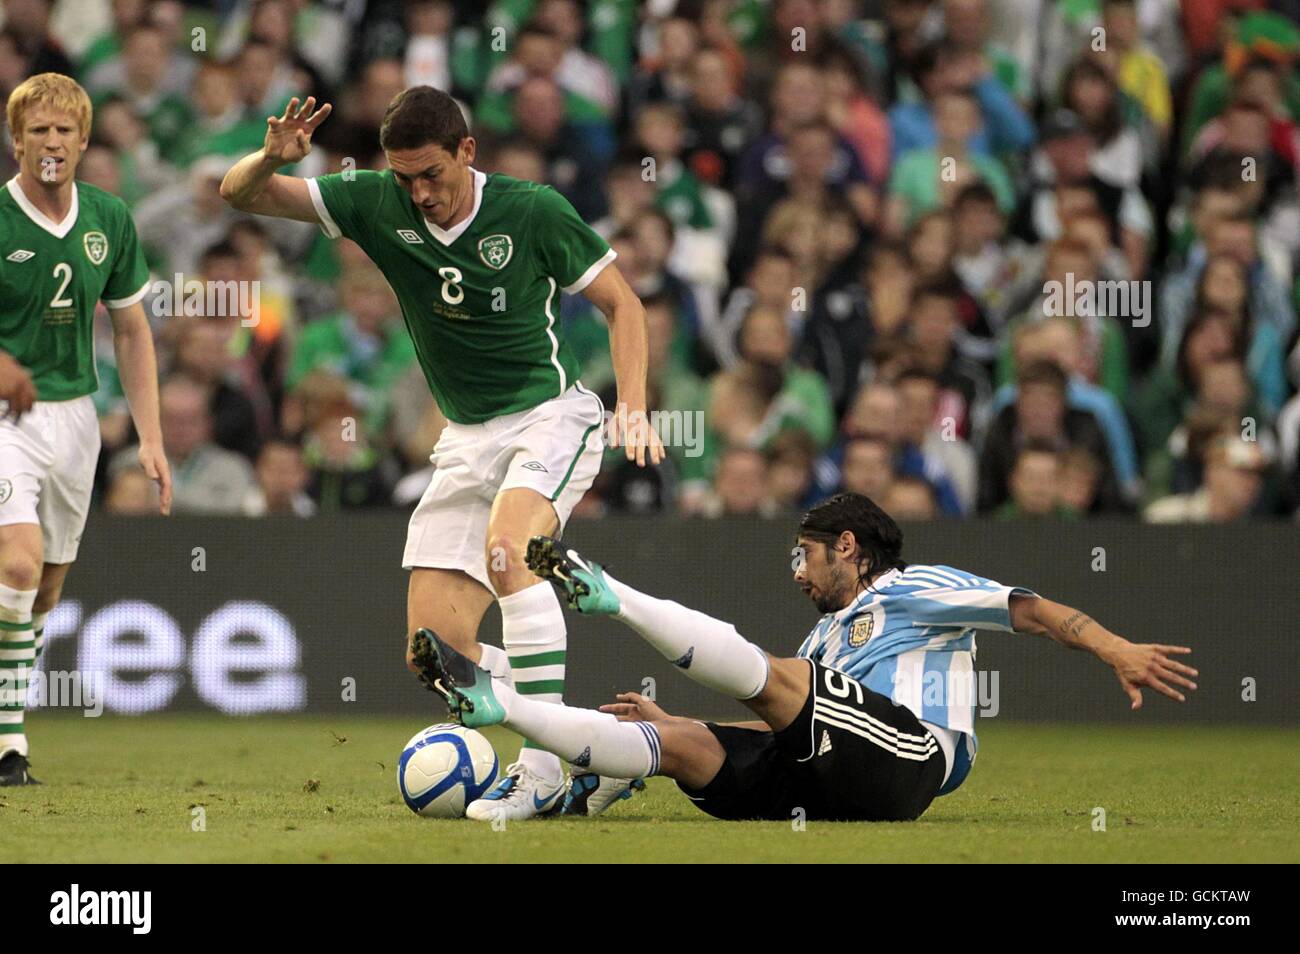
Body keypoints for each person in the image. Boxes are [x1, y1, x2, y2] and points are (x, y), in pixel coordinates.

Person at [219, 86, 663, 819]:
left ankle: (543, 775)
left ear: (467, 151)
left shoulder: (532, 210)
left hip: (549, 417)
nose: (419, 193)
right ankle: (601, 745)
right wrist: (268, 158)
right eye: (404, 178)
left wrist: (636, 406)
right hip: (464, 439)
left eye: (432, 174)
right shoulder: (374, 200)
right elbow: (242, 198)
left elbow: (625, 303)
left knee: (510, 553)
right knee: (435, 653)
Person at [410, 493, 1198, 822]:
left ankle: (607, 591)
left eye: (805, 557)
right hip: (838, 775)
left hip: (915, 757)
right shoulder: (823, 642)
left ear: (847, 548)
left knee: (779, 678)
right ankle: (502, 708)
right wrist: (681, 721)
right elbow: (792, 714)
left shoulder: (914, 587)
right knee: (685, 741)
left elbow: (1031, 612)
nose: (798, 573)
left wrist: (1113, 647)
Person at [0, 73, 172, 785]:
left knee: (43, 591)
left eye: (65, 130)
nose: (52, 142)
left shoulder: (110, 219)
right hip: (8, 418)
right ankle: (8, 745)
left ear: (84, 140)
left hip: (77, 420)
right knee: (15, 562)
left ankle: (7, 721)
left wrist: (151, 437)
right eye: (39, 129)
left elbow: (132, 332)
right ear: (17, 141)